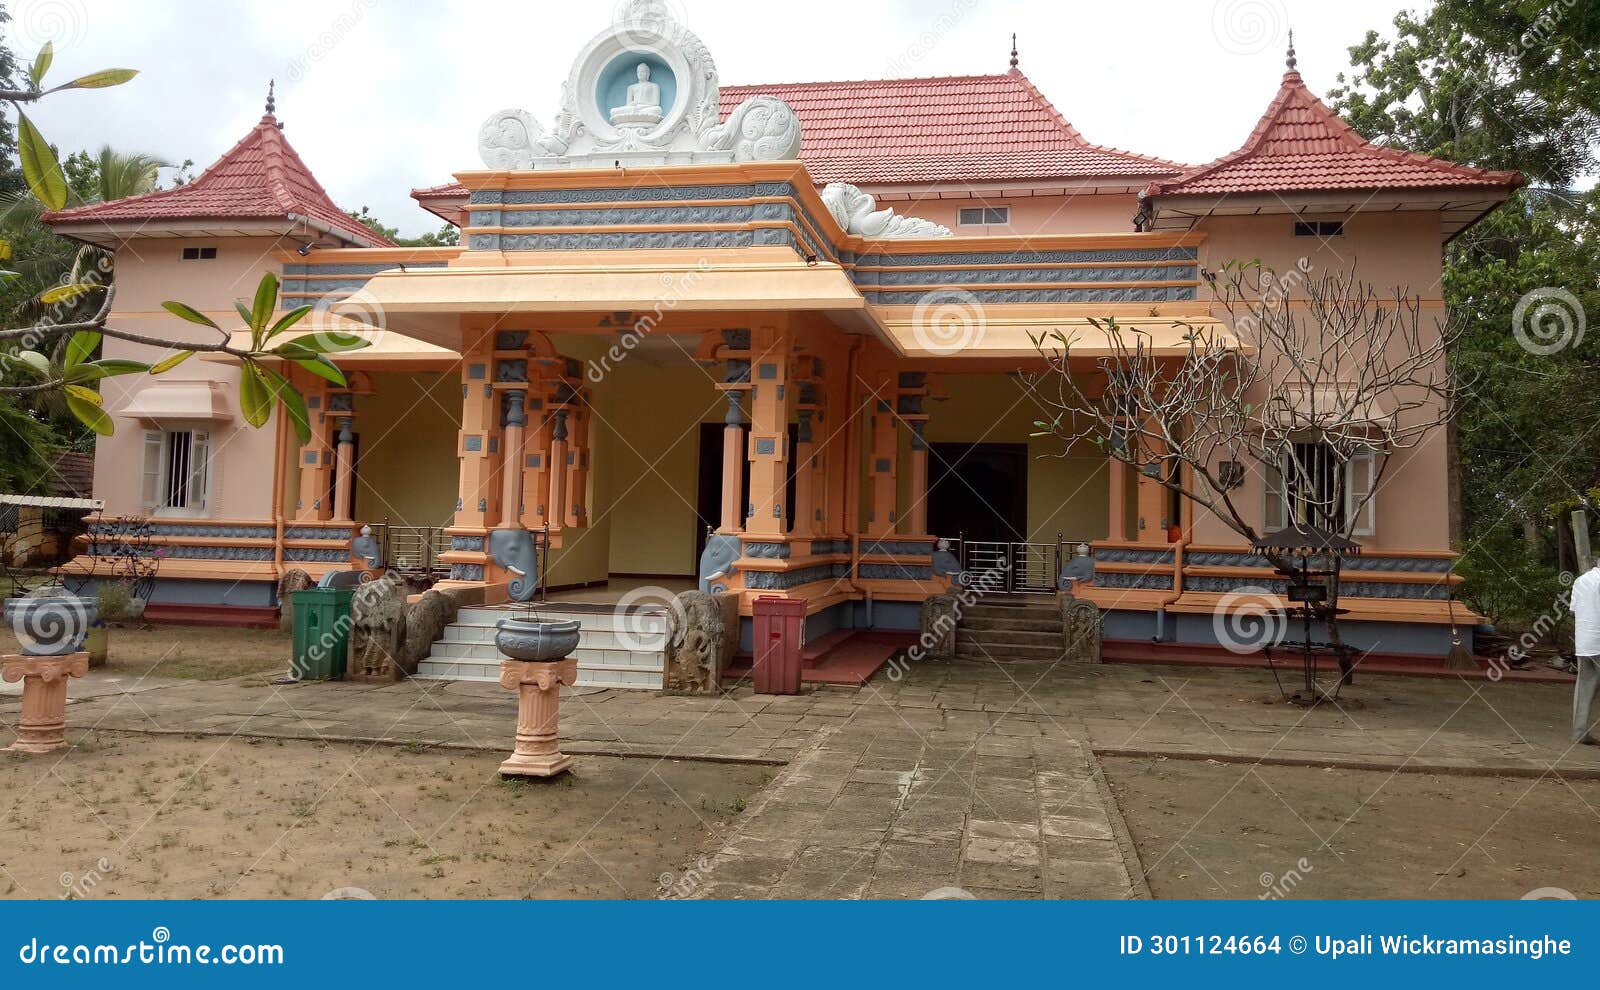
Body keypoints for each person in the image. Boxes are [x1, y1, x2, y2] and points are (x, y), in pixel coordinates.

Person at [1571, 562, 1600, 744]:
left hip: (1584, 643)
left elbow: (1573, 611)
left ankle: (1579, 732)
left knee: (1584, 688)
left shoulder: (1580, 581)